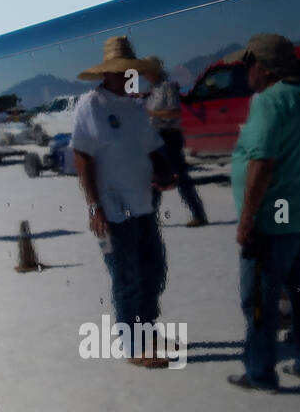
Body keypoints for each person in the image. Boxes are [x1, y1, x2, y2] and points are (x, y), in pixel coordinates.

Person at [229, 34, 300, 393]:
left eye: (248, 64)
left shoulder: (271, 101)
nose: (245, 71)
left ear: (266, 67)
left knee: (258, 300)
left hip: (270, 222)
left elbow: (262, 164)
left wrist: (246, 220)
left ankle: (260, 372)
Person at [72, 35, 176, 368]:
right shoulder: (91, 105)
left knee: (153, 272)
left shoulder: (133, 106)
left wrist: (163, 171)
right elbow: (82, 157)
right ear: (108, 74)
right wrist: (93, 206)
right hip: (113, 211)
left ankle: (146, 331)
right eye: (122, 70)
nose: (129, 75)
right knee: (126, 277)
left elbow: (150, 147)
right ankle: (134, 345)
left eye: (131, 70)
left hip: (144, 205)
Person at [145, 56, 208, 226]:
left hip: (169, 137)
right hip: (157, 138)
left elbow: (175, 113)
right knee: (156, 178)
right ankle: (149, 217)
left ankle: (198, 214)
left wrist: (152, 114)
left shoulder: (167, 88)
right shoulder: (154, 90)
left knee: (179, 177)